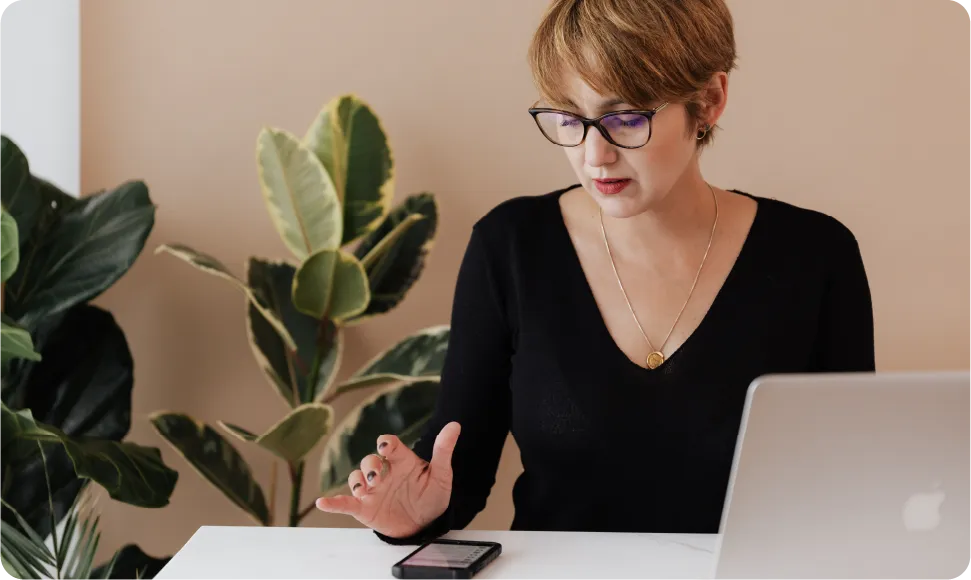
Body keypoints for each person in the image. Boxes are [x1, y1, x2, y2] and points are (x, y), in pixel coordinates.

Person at [315, 0, 875, 544]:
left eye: (625, 118)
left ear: (708, 101)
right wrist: (418, 511)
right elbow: (459, 466)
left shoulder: (816, 255)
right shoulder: (509, 246)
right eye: (569, 119)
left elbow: (854, 477)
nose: (593, 155)